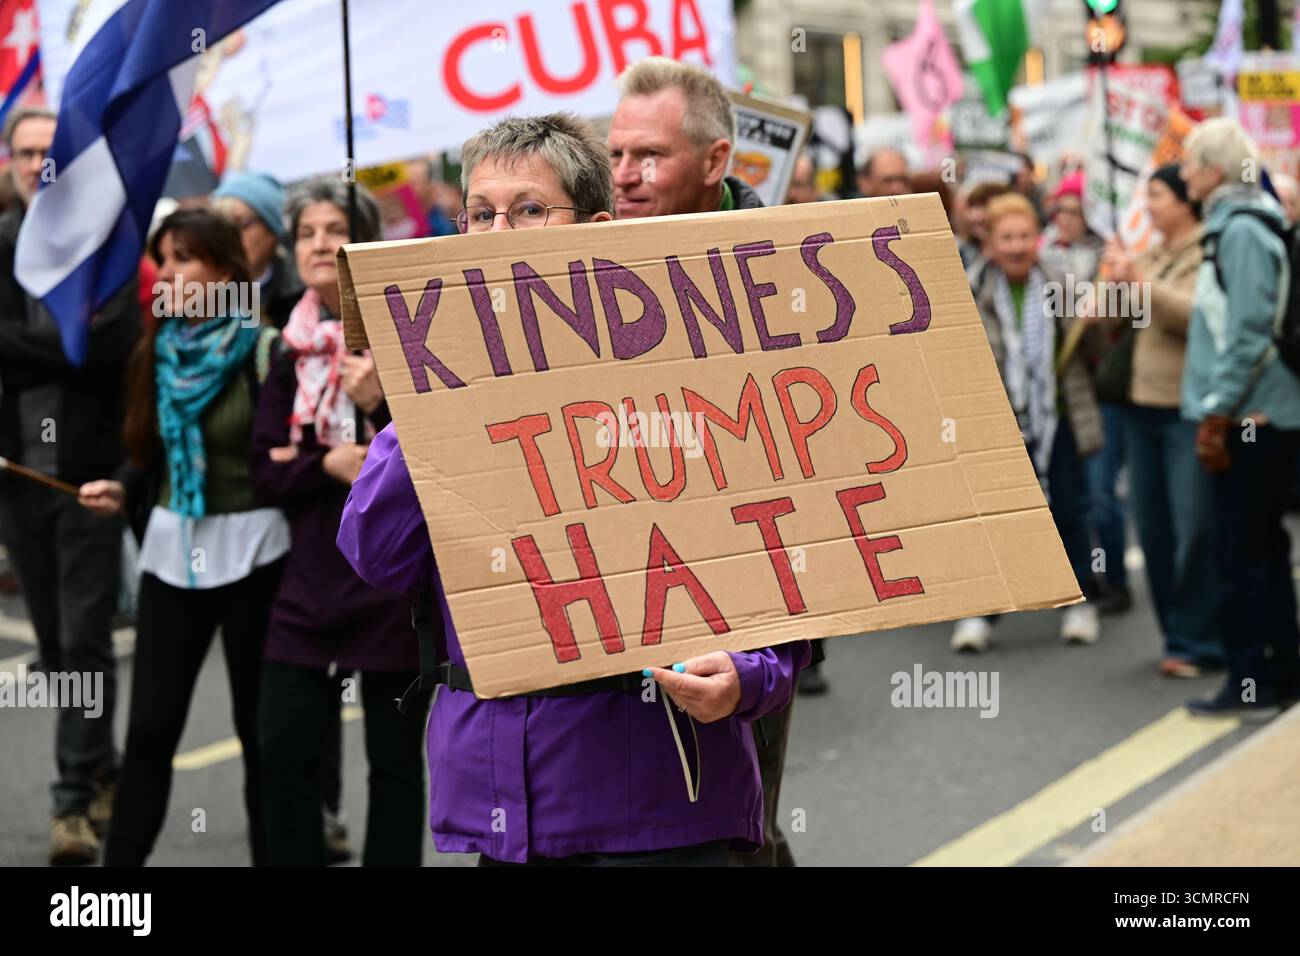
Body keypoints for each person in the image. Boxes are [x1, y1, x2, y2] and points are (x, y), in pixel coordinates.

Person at [340, 111, 809, 867]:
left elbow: (780, 558)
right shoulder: (449, 395)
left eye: (527, 211)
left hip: (658, 807)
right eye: (480, 214)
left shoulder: (682, 381)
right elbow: (377, 555)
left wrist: (751, 676)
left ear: (594, 230)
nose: (496, 235)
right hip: (503, 809)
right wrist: (428, 399)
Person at [609, 57, 809, 864]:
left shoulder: (786, 268)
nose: (623, 175)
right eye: (614, 153)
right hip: (626, 564)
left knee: (740, 817)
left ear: (717, 162)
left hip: (753, 579)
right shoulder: (580, 254)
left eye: (648, 155)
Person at [79, 209, 288, 865]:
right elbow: (146, 451)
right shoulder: (156, 347)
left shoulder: (267, 350)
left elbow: (287, 460)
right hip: (173, 553)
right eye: (162, 259)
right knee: (148, 732)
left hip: (258, 554)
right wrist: (121, 486)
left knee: (260, 735)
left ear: (224, 270)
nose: (164, 273)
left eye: (181, 259)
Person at [253, 178, 432, 866]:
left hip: (386, 588)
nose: (320, 243)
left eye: (335, 229)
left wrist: (386, 409)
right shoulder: (284, 350)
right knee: (282, 751)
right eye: (306, 232)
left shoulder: (403, 336)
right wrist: (328, 464)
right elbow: (266, 472)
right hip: (306, 588)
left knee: (391, 766)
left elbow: (436, 465)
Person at [0, 106, 140, 865]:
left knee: (85, 641)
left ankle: (71, 803)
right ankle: (103, 769)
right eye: (24, 152)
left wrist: (44, 350)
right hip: (20, 478)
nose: (35, 166)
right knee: (58, 644)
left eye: (48, 153)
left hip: (90, 478)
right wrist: (61, 346)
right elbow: (68, 349)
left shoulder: (104, 244)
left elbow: (107, 343)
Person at [1179, 118, 1300, 718]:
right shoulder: (1239, 225)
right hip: (1261, 413)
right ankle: (1282, 670)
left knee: (1241, 555)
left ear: (1215, 171)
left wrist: (1217, 413)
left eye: (1190, 163)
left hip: (1254, 416)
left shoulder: (1242, 232)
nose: (1182, 173)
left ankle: (1252, 682)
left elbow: (1249, 333)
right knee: (1263, 549)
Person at [952, 193, 1103, 652]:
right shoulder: (967, 290)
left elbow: (1095, 355)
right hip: (998, 425)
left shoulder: (1064, 284)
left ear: (1038, 240)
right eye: (1007, 238)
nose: (1017, 247)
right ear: (990, 243)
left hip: (1059, 419)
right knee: (994, 521)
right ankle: (982, 614)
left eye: (1024, 236)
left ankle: (1081, 603)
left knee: (1071, 513)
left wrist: (1096, 318)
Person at [1102, 165, 1220, 678]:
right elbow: (1109, 322)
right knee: (1152, 528)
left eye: (1155, 196)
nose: (1147, 206)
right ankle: (1177, 632)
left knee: (1194, 525)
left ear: (1183, 201)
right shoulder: (1146, 255)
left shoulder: (1206, 252)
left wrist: (1141, 284)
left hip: (1185, 410)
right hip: (1139, 408)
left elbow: (1198, 317)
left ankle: (1198, 637)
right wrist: (1110, 284)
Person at [1041, 172, 1129, 613]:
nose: (1064, 219)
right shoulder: (1041, 256)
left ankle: (1116, 579)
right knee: (1067, 495)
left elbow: (1125, 323)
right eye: (1059, 210)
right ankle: (1082, 578)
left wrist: (1106, 306)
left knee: (1100, 493)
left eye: (1073, 211)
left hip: (1100, 391)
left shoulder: (1110, 260)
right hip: (1060, 396)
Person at [210, 172, 302, 329]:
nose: (230, 238)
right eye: (221, 229)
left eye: (241, 225)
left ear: (272, 229)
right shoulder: (206, 291)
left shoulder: (303, 288)